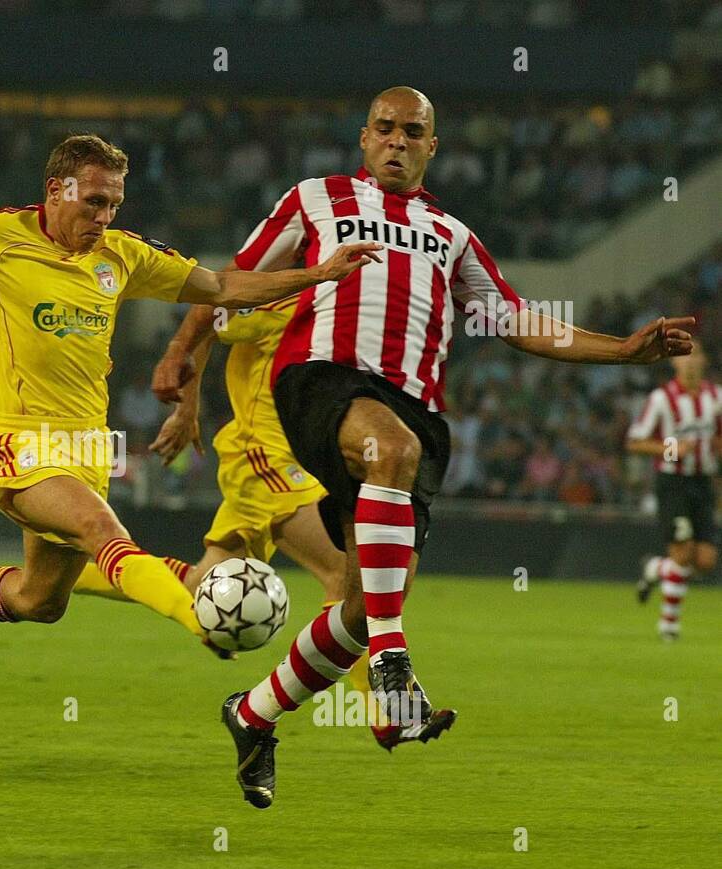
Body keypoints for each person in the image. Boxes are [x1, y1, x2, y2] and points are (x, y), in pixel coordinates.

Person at [153, 87, 695, 808]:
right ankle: (393, 665)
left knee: (362, 597)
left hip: (411, 405)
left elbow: (513, 317)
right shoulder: (316, 197)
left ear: (433, 146)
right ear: (363, 137)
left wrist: (623, 351)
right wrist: (181, 353)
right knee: (389, 451)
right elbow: (230, 282)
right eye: (385, 128)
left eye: (414, 131)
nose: (398, 141)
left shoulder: (451, 231)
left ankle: (252, 713)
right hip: (319, 381)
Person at [0, 134, 379, 667]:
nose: (104, 215)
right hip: (21, 446)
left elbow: (222, 286)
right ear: (55, 189)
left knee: (38, 600)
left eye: (114, 203)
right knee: (102, 530)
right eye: (93, 201)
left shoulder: (122, 255)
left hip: (87, 452)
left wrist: (320, 273)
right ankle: (199, 614)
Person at [74, 296, 456, 751]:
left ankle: (63, 576)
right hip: (265, 459)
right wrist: (186, 408)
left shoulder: (351, 308)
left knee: (201, 585)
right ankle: (388, 713)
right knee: (346, 572)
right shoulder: (279, 295)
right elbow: (205, 321)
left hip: (303, 462)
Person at [627, 344, 719, 640]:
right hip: (672, 483)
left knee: (705, 561)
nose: (690, 362)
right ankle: (669, 625)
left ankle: (654, 568)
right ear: (675, 363)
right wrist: (672, 448)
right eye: (685, 356)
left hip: (703, 481)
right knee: (682, 552)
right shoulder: (661, 399)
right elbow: (635, 441)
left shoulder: (715, 397)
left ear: (704, 361)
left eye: (695, 355)